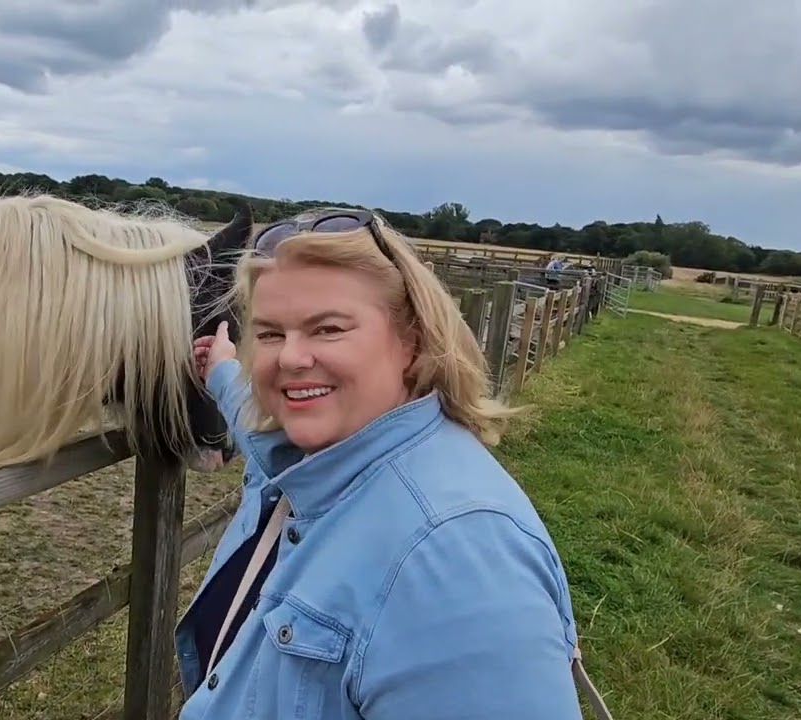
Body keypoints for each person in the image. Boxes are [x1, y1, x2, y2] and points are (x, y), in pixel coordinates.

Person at [173, 208, 612, 719]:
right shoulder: (324, 455)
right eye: (270, 334)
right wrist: (222, 372)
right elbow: (262, 435)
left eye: (327, 328)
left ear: (412, 341)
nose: (290, 357)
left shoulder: (455, 560)